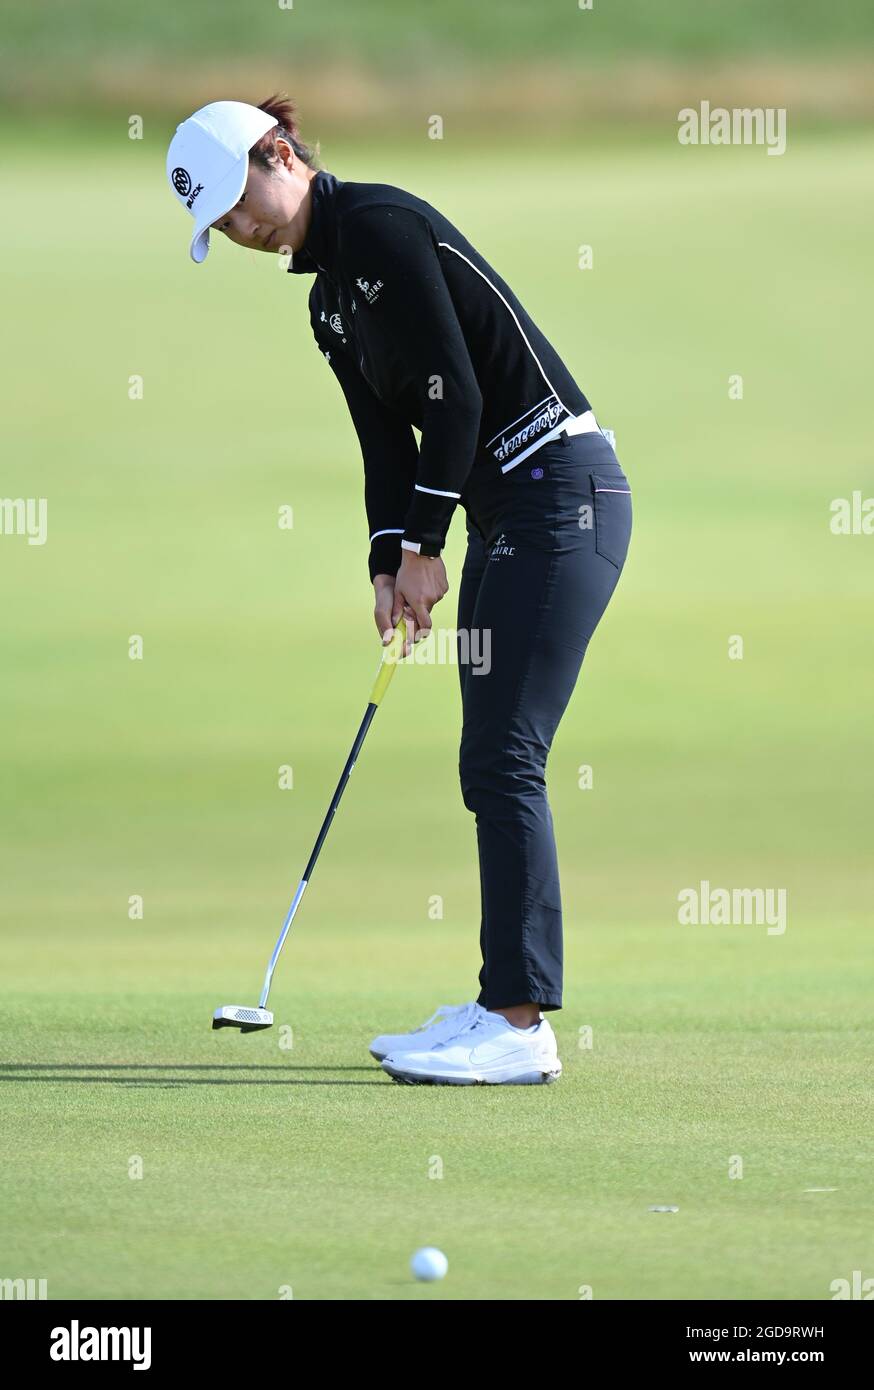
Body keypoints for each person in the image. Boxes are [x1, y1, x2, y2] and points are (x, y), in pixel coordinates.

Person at [166, 96, 632, 1086]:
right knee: (490, 754)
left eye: (237, 201)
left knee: (504, 751)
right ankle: (500, 998)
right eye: (220, 223)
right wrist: (388, 561)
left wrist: (430, 543)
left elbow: (454, 398)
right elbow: (388, 443)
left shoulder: (379, 224)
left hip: (562, 492)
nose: (241, 230)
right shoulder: (327, 300)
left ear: (280, 155)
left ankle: (517, 1024)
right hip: (513, 512)